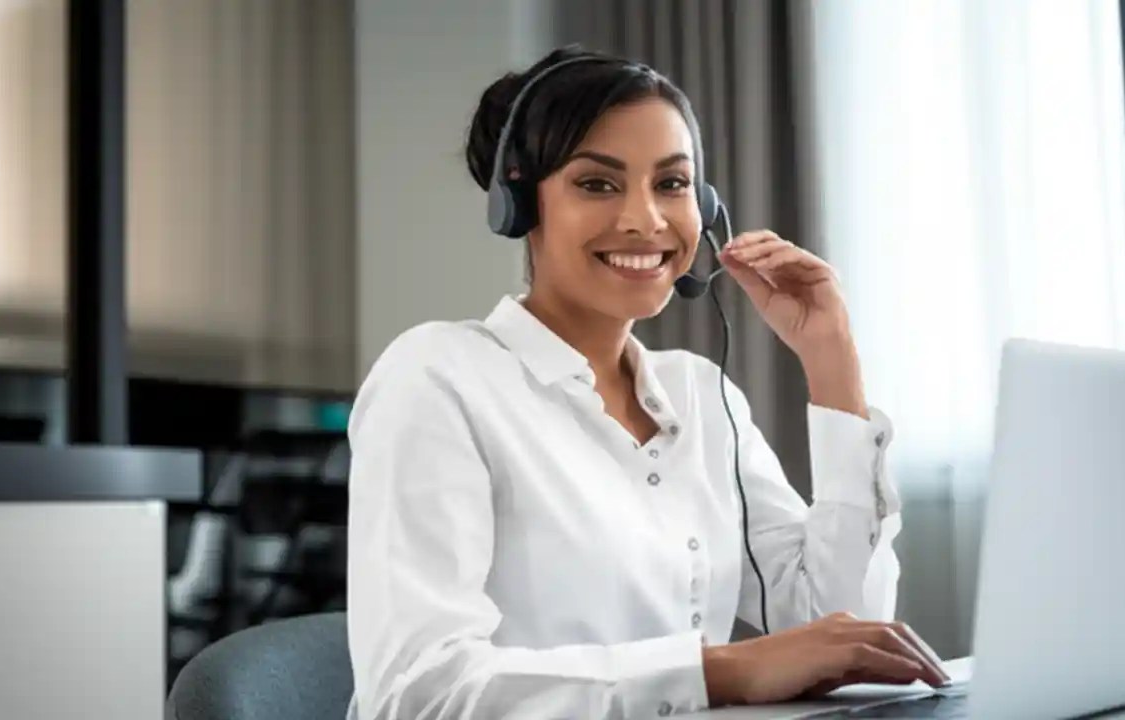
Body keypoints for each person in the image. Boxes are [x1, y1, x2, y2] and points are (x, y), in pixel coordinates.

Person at [345, 45, 948, 720]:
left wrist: (830, 357)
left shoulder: (699, 394)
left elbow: (842, 624)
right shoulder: (438, 377)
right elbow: (418, 692)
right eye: (598, 184)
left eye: (672, 184)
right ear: (517, 203)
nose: (646, 220)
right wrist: (717, 670)